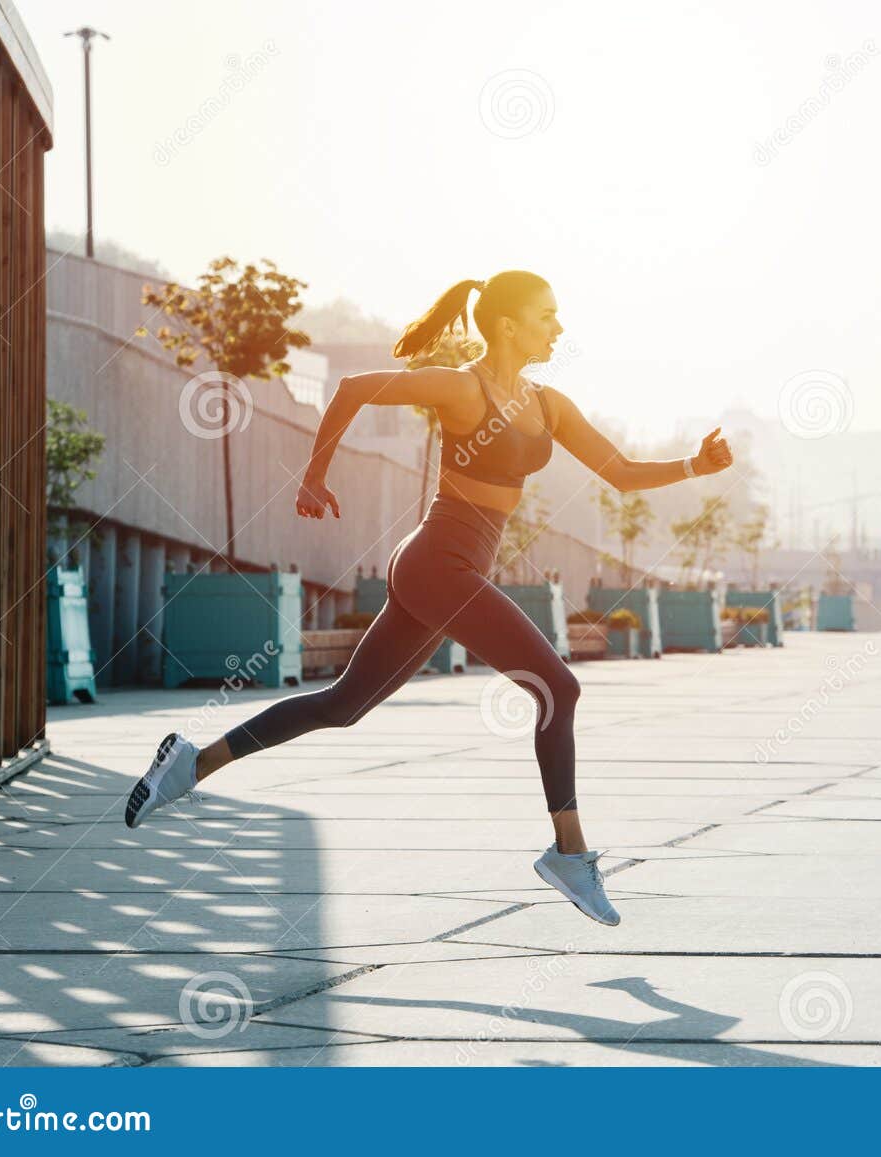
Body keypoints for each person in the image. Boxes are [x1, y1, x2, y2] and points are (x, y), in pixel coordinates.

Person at [123, 271, 734, 925]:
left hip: (447, 569)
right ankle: (569, 850)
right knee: (558, 686)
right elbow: (355, 389)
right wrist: (314, 476)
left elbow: (620, 473)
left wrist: (695, 465)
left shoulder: (548, 404)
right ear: (506, 325)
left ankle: (192, 760)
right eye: (546, 316)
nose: (558, 328)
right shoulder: (460, 387)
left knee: (342, 704)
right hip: (438, 563)